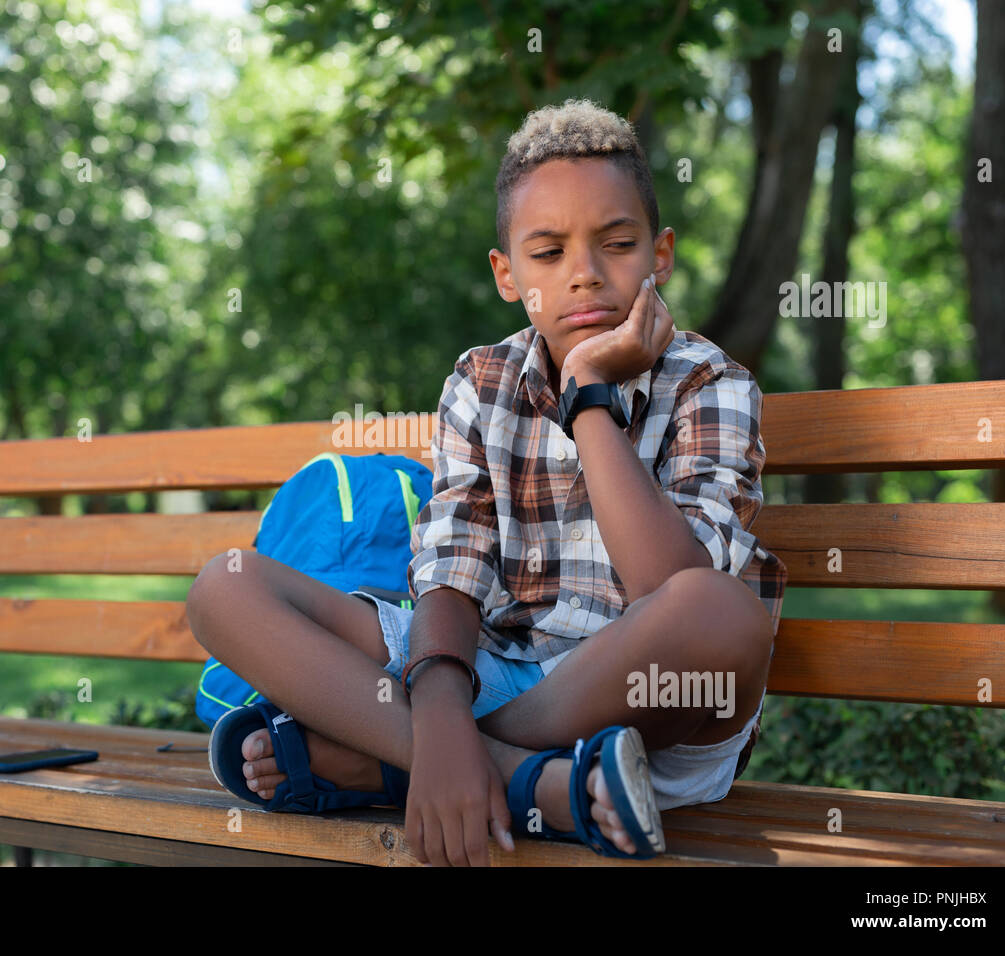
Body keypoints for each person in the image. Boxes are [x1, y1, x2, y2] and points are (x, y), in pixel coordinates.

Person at [187, 98, 787, 866]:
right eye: (548, 254)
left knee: (721, 613)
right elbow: (450, 570)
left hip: (649, 712)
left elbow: (669, 586)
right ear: (507, 273)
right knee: (223, 585)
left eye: (618, 243)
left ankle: (383, 763)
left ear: (660, 256)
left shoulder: (712, 383)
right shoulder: (480, 380)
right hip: (490, 670)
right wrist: (438, 710)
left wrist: (590, 396)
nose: (586, 275)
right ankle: (518, 780)